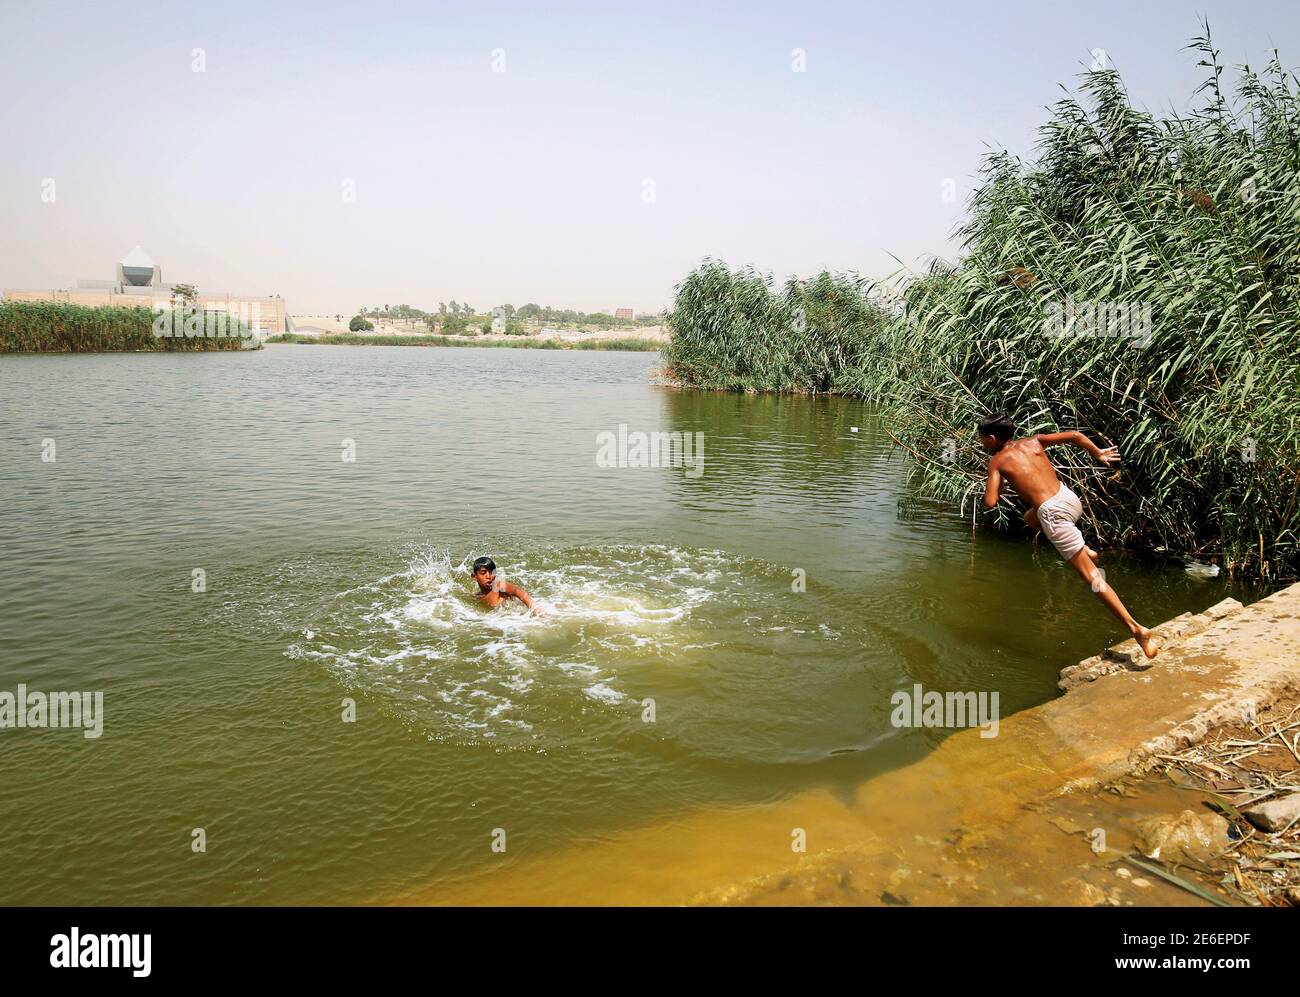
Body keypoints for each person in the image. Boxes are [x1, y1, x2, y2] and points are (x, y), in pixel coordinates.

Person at [978, 413, 1158, 659]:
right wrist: (1099, 453)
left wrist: (1000, 483)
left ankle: (1137, 629)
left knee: (1093, 578)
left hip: (1054, 514)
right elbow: (1075, 435)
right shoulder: (1034, 441)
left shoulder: (997, 462)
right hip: (1069, 499)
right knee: (1030, 518)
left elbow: (990, 502)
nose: (982, 445)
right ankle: (1085, 549)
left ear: (991, 438)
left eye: (983, 441)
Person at [470, 556, 544, 614]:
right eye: (483, 573)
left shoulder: (498, 586)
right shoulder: (476, 596)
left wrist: (535, 609)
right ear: (474, 576)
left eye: (492, 572)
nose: (488, 576)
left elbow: (517, 591)